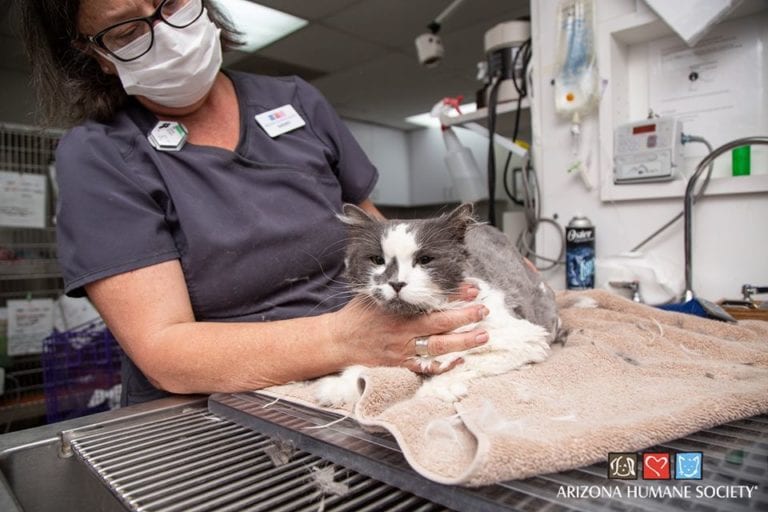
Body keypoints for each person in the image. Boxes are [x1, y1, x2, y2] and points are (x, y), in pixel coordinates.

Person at [21, 0, 490, 406]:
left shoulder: (296, 100)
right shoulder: (100, 154)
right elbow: (165, 353)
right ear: (95, 55)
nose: (165, 31)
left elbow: (381, 236)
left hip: (364, 363)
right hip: (209, 409)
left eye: (175, 4)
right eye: (126, 30)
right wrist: (345, 339)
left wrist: (446, 290)